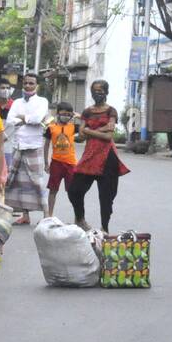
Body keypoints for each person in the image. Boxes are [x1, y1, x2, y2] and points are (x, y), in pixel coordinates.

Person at [69, 79, 129, 232]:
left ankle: (104, 228)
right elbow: (81, 135)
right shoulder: (87, 112)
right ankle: (80, 219)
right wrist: (97, 130)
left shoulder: (111, 111)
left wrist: (89, 131)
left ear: (106, 92)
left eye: (101, 90)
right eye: (95, 90)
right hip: (89, 156)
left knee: (106, 197)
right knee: (74, 190)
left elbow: (109, 136)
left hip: (108, 157)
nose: (98, 93)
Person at [5, 72, 49, 225]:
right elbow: (10, 121)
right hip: (18, 145)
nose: (28, 86)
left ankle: (46, 216)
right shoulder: (17, 102)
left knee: (37, 181)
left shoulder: (42, 101)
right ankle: (25, 216)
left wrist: (23, 118)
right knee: (18, 181)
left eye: (31, 83)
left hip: (33, 145)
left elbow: (38, 119)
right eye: (26, 83)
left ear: (37, 85)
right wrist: (28, 120)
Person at [44, 101, 78, 218]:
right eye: (64, 114)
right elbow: (46, 145)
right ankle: (49, 216)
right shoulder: (51, 128)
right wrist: (46, 163)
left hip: (71, 163)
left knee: (73, 191)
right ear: (58, 113)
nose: (66, 116)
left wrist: (78, 115)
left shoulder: (73, 127)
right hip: (56, 163)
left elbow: (87, 123)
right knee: (53, 190)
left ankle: (78, 217)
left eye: (69, 114)